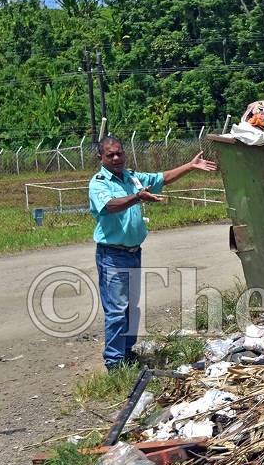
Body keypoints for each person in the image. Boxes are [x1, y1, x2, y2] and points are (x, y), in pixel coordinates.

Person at [88, 135, 217, 371]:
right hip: (112, 255)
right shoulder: (99, 183)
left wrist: (190, 166)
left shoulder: (131, 177)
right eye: (110, 155)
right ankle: (115, 363)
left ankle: (127, 353)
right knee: (116, 310)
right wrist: (137, 197)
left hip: (133, 253)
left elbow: (162, 178)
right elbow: (109, 206)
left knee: (131, 307)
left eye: (120, 153)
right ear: (101, 158)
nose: (116, 157)